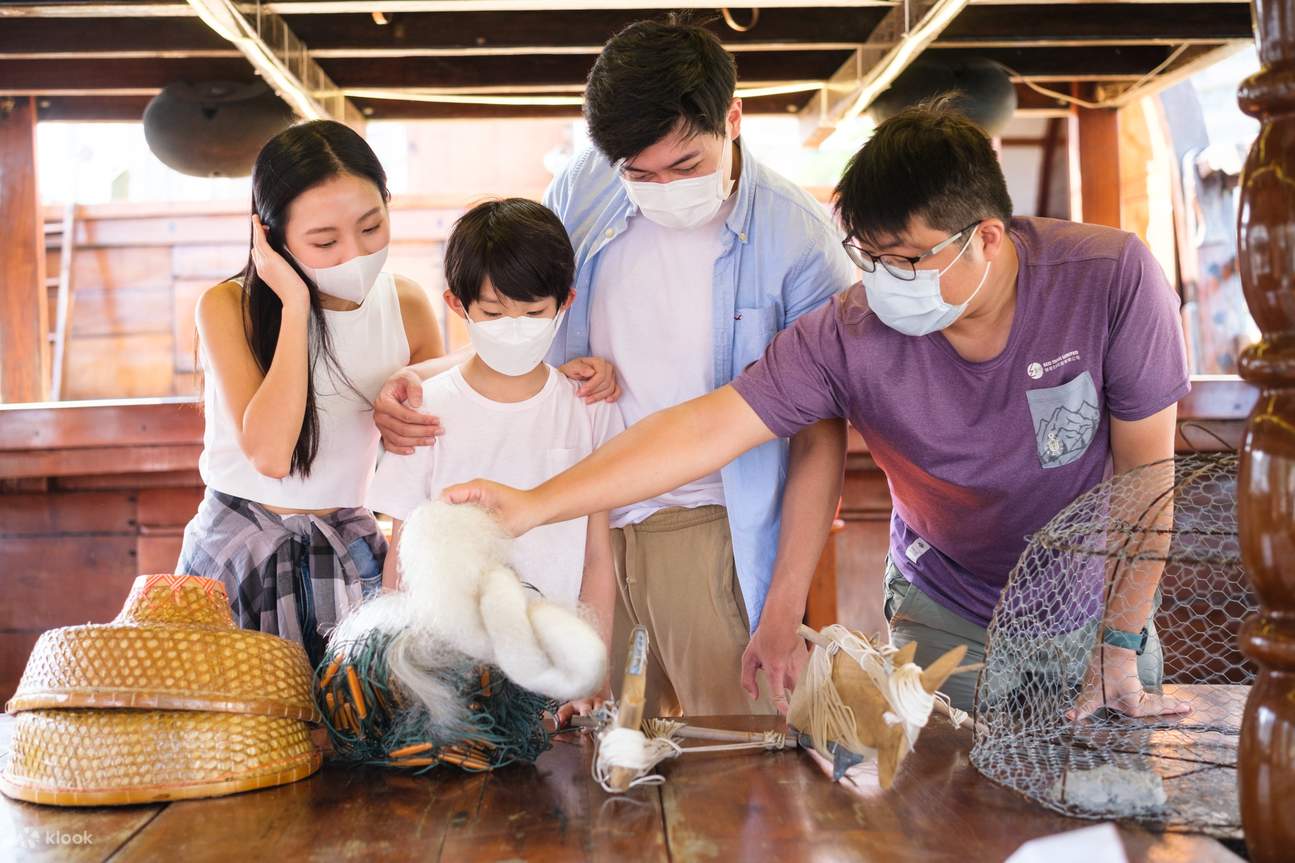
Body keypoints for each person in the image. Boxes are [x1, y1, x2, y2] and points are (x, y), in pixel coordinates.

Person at [444, 99, 1193, 719]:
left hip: (1097, 600)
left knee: (1114, 798)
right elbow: (704, 427)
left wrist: (1118, 643)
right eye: (867, 258)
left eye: (904, 261)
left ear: (985, 238)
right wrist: (533, 505)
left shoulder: (1108, 278)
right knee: (950, 810)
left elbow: (1144, 482)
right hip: (946, 601)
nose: (881, 281)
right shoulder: (850, 330)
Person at [542, 16, 855, 716]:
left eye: (684, 167)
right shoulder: (580, 191)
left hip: (710, 529)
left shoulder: (798, 241)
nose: (661, 187)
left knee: (739, 773)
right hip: (585, 526)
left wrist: (780, 612)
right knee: (585, 777)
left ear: (734, 118)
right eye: (638, 174)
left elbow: (819, 436)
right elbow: (525, 324)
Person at [176, 120, 446, 668]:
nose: (355, 253)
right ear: (272, 239)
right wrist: (295, 305)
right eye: (324, 241)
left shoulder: (408, 307)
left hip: (351, 548)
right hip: (239, 551)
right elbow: (271, 455)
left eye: (372, 228)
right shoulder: (228, 307)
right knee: (231, 740)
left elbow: (432, 457)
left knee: (353, 736)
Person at [367, 198, 622, 722]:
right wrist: (396, 668)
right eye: (493, 312)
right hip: (449, 668)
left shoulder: (587, 408)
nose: (515, 326)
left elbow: (600, 554)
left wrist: (592, 671)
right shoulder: (424, 410)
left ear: (564, 302)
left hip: (554, 666)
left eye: (533, 313)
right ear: (458, 306)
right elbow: (403, 553)